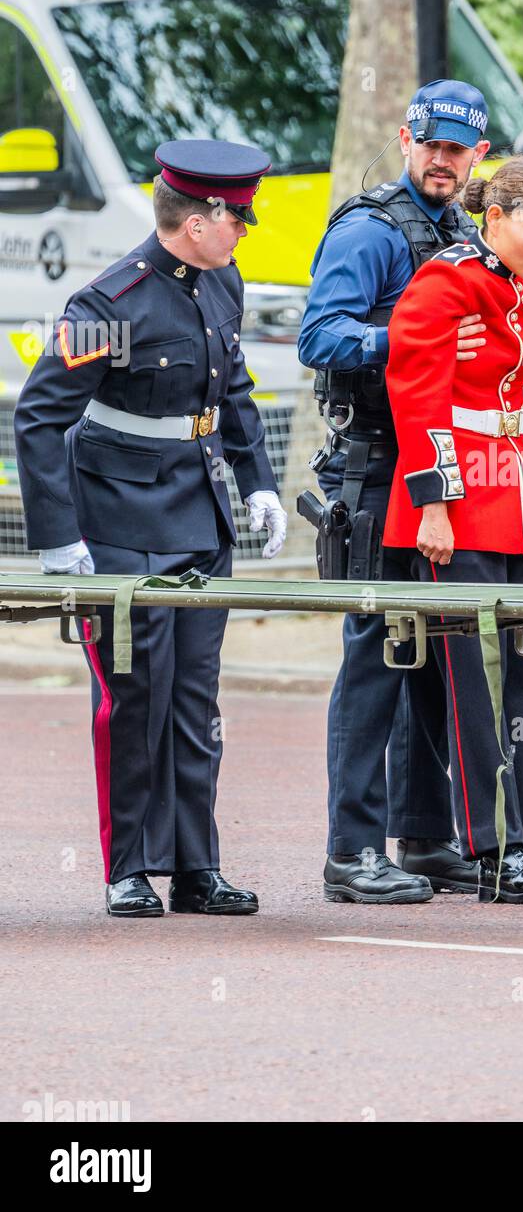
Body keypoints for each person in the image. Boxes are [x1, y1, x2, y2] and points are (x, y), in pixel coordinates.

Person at [14, 139, 287, 918]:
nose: (247, 228)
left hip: (197, 512)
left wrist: (259, 483)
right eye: (238, 217)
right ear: (197, 219)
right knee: (133, 697)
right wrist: (60, 537)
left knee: (197, 700)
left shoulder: (220, 278)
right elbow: (40, 418)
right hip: (117, 519)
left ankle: (197, 866)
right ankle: (128, 868)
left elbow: (232, 389)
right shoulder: (112, 303)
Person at [383, 154, 523, 903]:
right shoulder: (445, 280)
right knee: (473, 689)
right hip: (460, 501)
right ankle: (493, 849)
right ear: (496, 217)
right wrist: (435, 506)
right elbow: (418, 396)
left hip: (516, 495)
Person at [298, 79, 495, 904]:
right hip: (375, 468)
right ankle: (351, 851)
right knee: (377, 656)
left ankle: (421, 836)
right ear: (408, 138)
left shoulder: (458, 226)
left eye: (460, 149)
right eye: (433, 145)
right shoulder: (372, 227)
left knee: (431, 654)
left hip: (432, 466)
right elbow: (319, 334)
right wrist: (411, 340)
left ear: (479, 153)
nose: (444, 160)